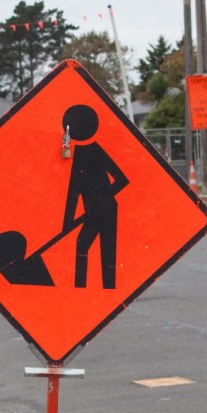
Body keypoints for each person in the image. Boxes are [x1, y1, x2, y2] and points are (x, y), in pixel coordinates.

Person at [61, 104, 129, 289]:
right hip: (92, 211)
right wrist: (67, 223)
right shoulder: (76, 156)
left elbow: (122, 179)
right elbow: (73, 193)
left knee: (106, 252)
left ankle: (107, 288)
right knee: (82, 246)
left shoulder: (96, 150)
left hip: (106, 208)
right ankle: (80, 288)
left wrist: (103, 197)